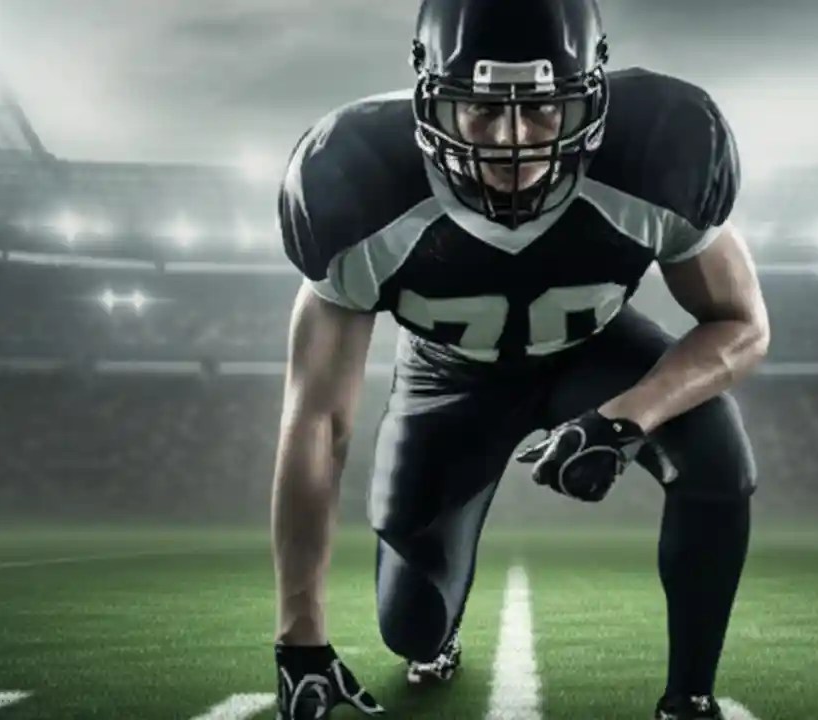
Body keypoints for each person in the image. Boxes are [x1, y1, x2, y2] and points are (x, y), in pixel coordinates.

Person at [271, 0, 769, 717]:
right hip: (445, 379)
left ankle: (690, 699)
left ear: (594, 97)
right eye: (478, 109)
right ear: (428, 98)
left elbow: (742, 325)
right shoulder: (354, 183)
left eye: (543, 108)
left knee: (718, 457)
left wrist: (626, 420)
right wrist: (300, 641)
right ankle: (436, 637)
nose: (514, 140)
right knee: (410, 629)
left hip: (594, 353)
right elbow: (316, 423)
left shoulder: (659, 150)